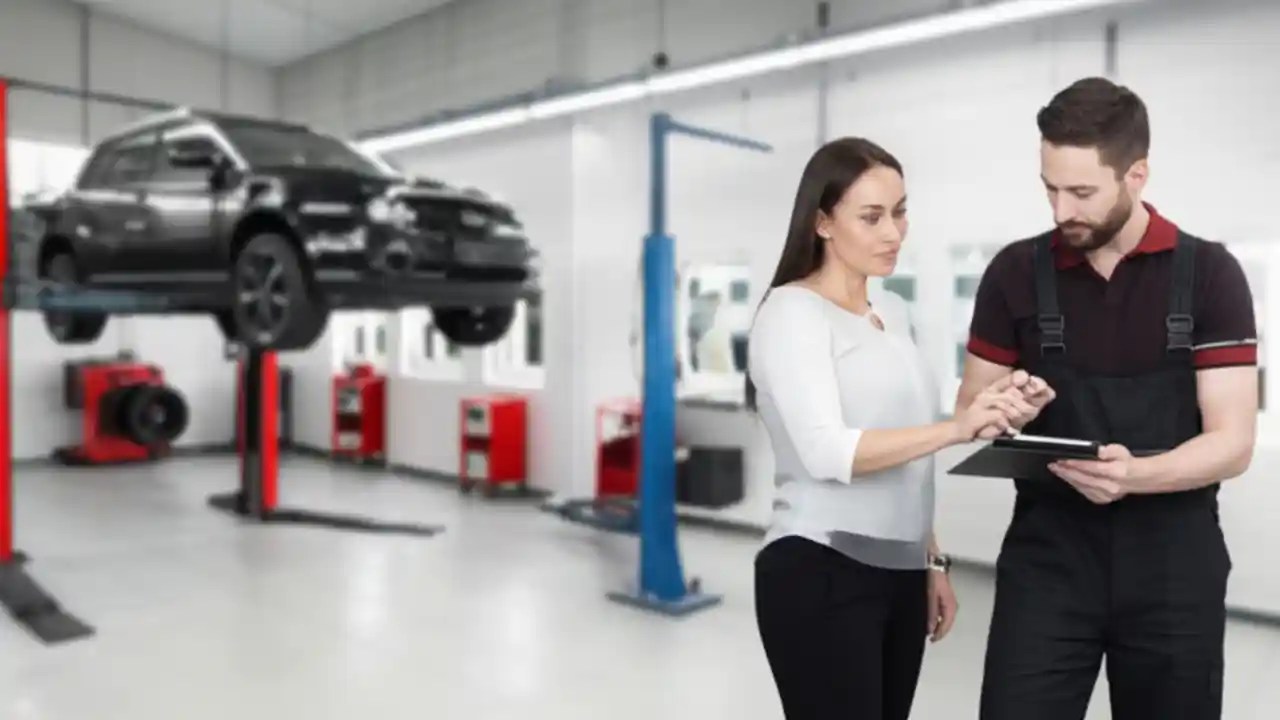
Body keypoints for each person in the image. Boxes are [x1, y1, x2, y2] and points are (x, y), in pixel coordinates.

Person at [958, 77, 1259, 720]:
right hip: (1048, 564)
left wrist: (1136, 476)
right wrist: (1006, 408)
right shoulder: (1013, 273)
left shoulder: (1211, 276)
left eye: (1082, 192)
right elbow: (971, 413)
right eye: (1049, 188)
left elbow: (1233, 443)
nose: (1061, 209)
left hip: (1174, 568)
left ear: (1137, 174)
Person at [745, 136, 1037, 720]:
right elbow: (829, 452)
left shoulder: (893, 314)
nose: (894, 232)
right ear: (823, 222)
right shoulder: (791, 313)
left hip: (901, 573)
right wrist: (957, 427)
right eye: (871, 216)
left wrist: (930, 560)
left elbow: (908, 450)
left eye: (900, 211)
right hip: (820, 567)